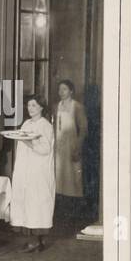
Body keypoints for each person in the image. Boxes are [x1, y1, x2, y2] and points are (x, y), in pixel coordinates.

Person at [9, 93, 57, 252]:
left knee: (37, 204)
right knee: (26, 203)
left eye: (34, 105)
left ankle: (36, 240)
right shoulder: (26, 124)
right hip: (25, 169)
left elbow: (45, 149)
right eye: (29, 105)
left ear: (42, 107)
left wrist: (28, 143)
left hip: (38, 171)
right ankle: (34, 240)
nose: (30, 108)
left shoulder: (45, 125)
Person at [53, 79, 89, 217]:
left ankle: (74, 211)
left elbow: (84, 129)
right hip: (58, 146)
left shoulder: (77, 107)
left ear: (71, 91)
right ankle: (61, 210)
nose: (61, 92)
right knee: (59, 176)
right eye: (60, 89)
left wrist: (78, 147)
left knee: (73, 178)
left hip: (72, 146)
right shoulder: (56, 106)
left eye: (64, 89)